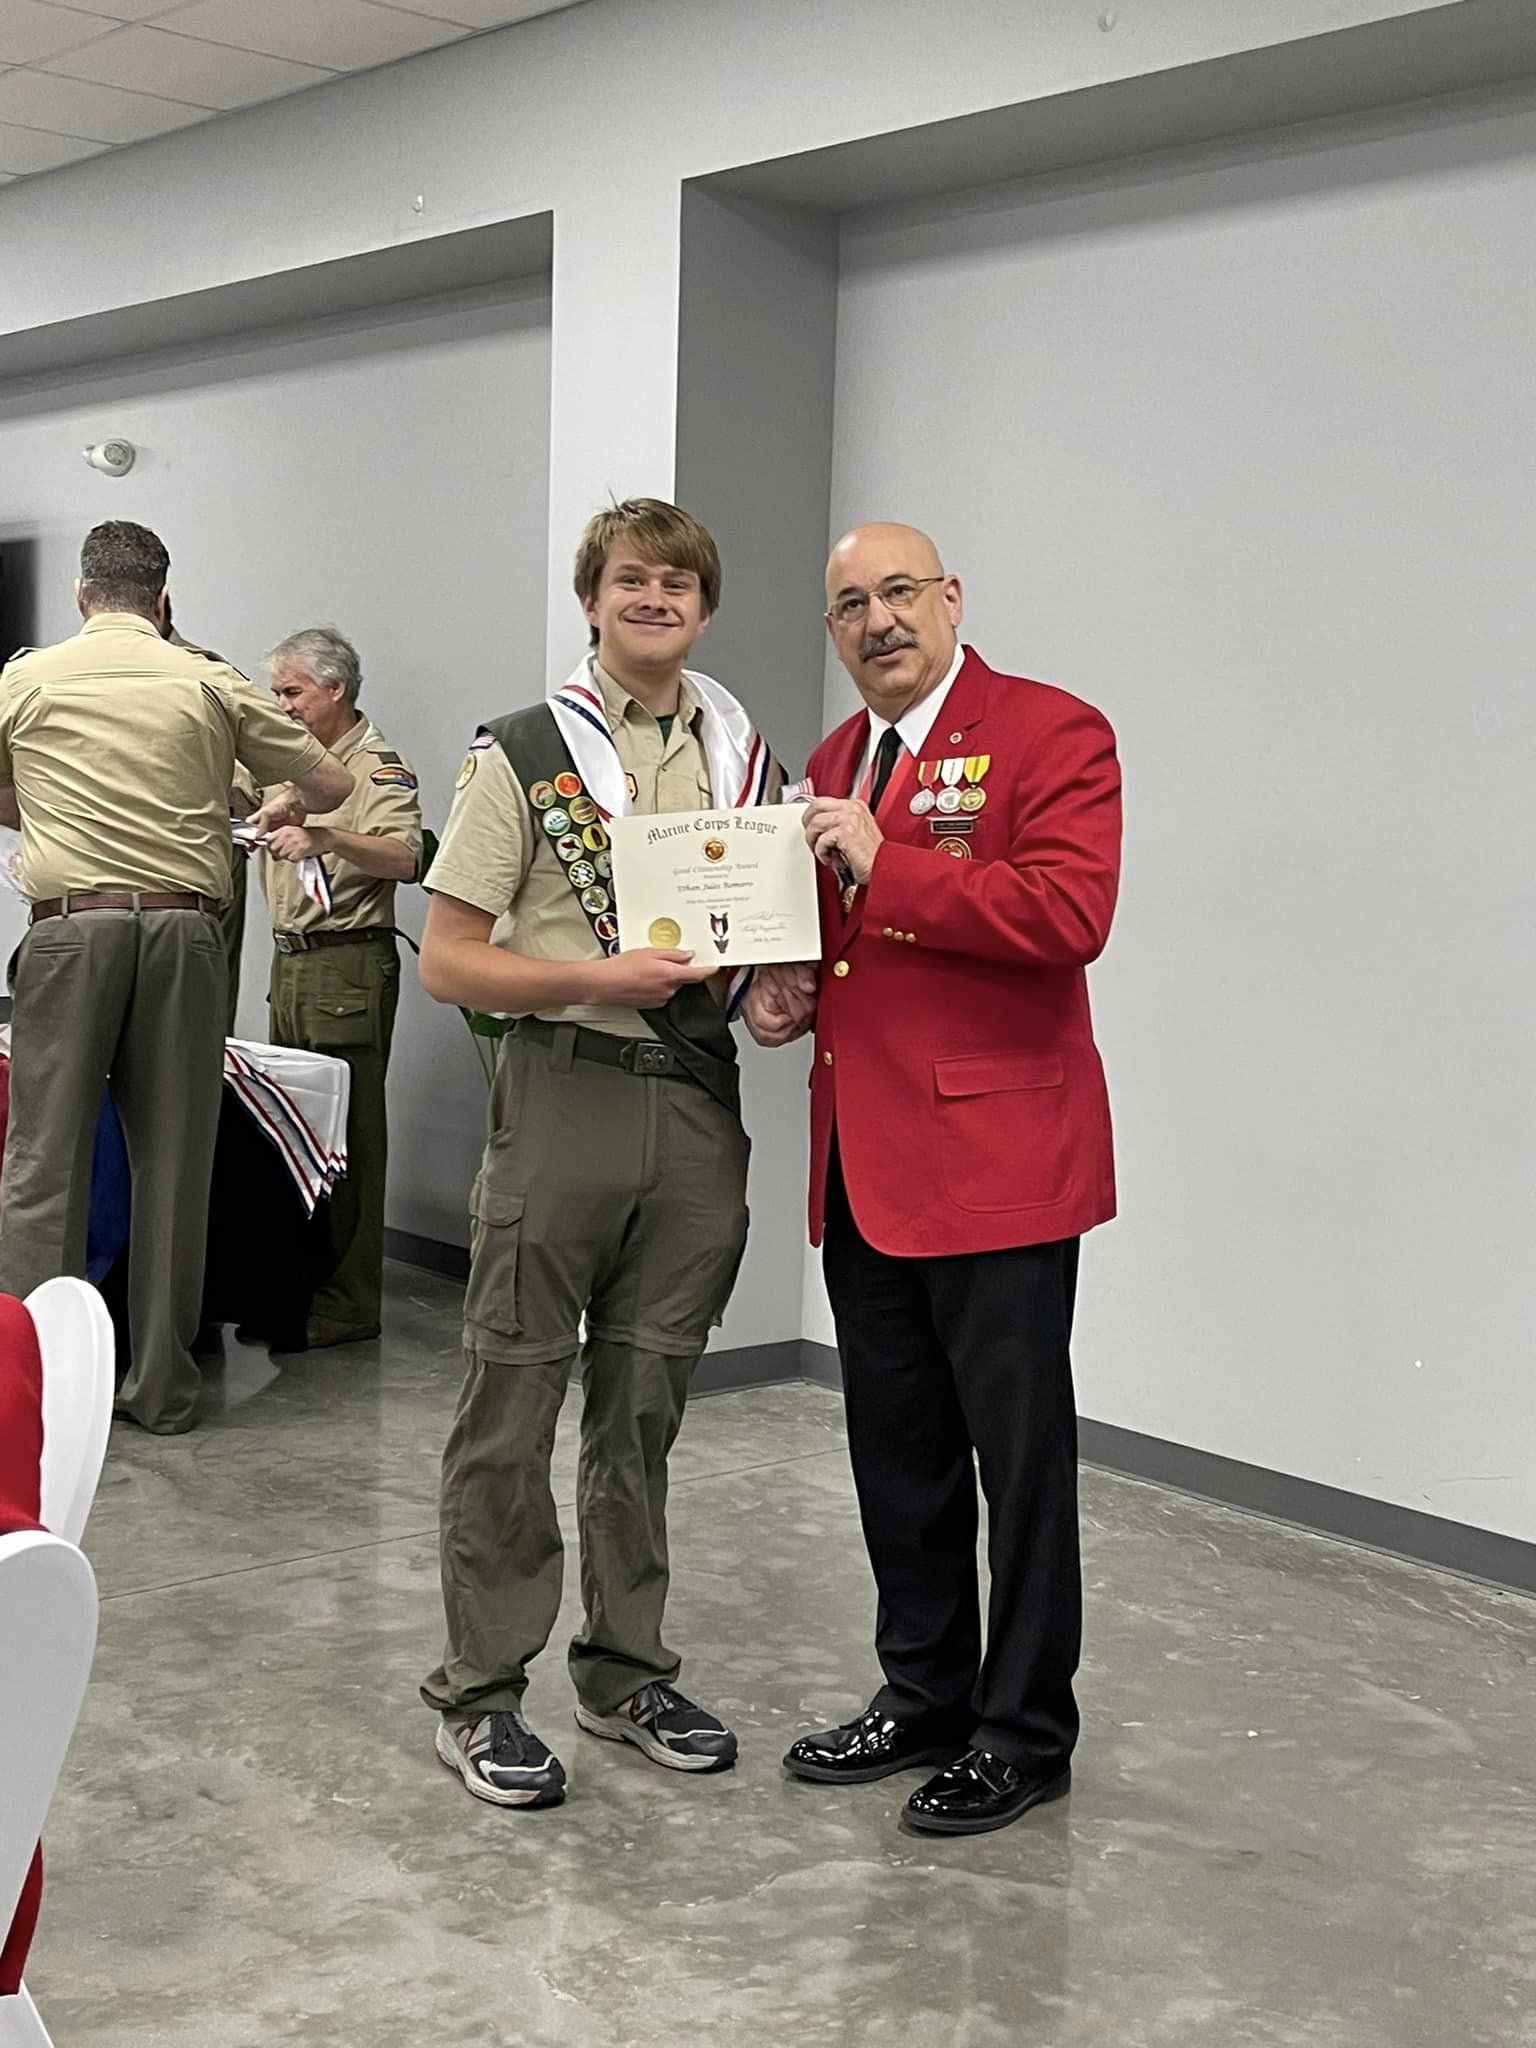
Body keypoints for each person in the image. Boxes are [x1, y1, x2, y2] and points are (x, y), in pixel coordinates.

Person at [746, 522, 1121, 1837]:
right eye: (849, 603)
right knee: (895, 1453)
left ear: (951, 599)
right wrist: (782, 988)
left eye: (898, 592)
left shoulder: (1052, 732)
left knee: (1015, 1467)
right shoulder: (842, 758)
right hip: (864, 1168)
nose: (876, 620)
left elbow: (1068, 916)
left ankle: (1024, 1734)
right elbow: (845, 954)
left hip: (1000, 1166)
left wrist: (881, 862)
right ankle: (924, 1696)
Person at [418, 498, 781, 1812]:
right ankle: (479, 1693)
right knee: (510, 1402)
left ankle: (627, 1671)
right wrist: (591, 974)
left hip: (693, 1105)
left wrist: (778, 991)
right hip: (562, 1088)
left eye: (680, 580)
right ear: (591, 598)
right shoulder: (525, 755)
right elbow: (454, 955)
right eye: (631, 578)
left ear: (704, 603)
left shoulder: (743, 757)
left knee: (644, 1408)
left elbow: (756, 938)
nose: (656, 597)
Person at [0, 522, 351, 1433]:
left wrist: (45, 811)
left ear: (83, 595)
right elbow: (331, 787)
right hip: (185, 932)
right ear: (162, 598)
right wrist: (261, 798)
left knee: (43, 1166)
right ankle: (159, 1386)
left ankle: (31, 1400)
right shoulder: (206, 677)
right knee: (174, 1161)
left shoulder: (27, 676)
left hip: (71, 931)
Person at [242, 628, 422, 1350]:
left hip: (347, 964)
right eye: (278, 692)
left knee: (348, 1140)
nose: (282, 705)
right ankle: (296, 1290)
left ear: (337, 690)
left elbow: (408, 857)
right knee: (292, 1135)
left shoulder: (377, 768)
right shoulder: (297, 766)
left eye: (293, 692)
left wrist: (331, 838)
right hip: (291, 962)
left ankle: (350, 1302)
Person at [162, 598, 246, 1034]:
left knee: (198, 1023)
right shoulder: (84, 672)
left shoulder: (206, 675)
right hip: (114, 872)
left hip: (195, 857)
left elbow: (248, 784)